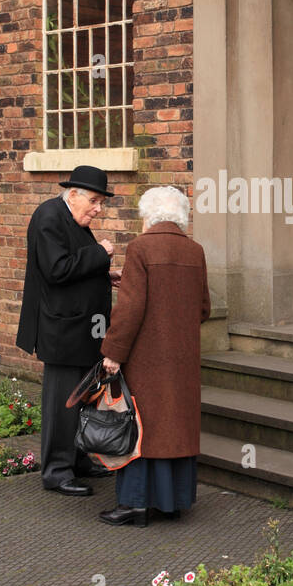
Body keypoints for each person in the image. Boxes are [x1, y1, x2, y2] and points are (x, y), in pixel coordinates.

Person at [98, 185, 210, 527]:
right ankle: (172, 502)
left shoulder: (140, 248)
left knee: (141, 426)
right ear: (180, 217)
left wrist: (113, 353)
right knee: (175, 426)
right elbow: (203, 308)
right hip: (183, 358)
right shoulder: (195, 251)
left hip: (147, 357)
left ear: (148, 216)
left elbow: (130, 309)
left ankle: (135, 504)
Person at [16, 165, 115, 496]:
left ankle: (78, 460)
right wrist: (100, 253)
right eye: (95, 201)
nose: (98, 209)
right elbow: (58, 270)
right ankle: (57, 471)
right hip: (62, 331)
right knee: (63, 403)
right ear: (73, 195)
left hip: (82, 330)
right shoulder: (49, 217)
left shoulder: (69, 217)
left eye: (101, 202)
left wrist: (104, 274)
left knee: (83, 398)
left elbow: (74, 265)